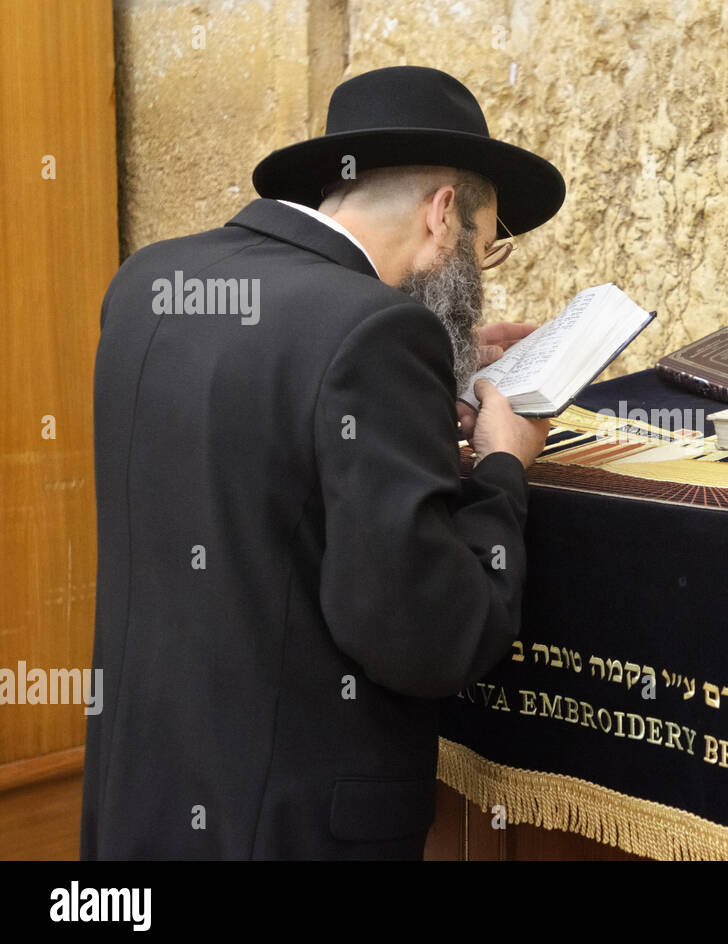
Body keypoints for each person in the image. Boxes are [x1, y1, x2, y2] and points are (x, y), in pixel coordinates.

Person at [81, 66, 563, 859]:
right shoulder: (373, 333)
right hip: (288, 825)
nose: (480, 275)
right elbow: (426, 637)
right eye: (487, 247)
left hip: (146, 804)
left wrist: (429, 370)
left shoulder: (151, 281)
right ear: (444, 214)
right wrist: (504, 464)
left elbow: (264, 408)